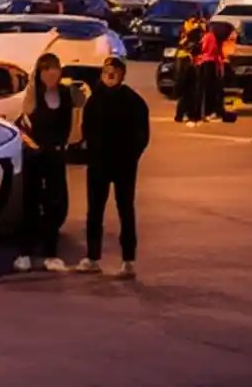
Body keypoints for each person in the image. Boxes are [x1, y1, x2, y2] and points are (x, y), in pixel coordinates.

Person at [76, 57, 150, 279]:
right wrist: (90, 153)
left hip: (124, 166)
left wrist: (131, 157)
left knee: (125, 210)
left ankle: (128, 260)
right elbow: (85, 128)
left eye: (114, 72)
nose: (110, 75)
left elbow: (142, 135)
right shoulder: (94, 100)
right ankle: (92, 258)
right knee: (94, 211)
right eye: (107, 71)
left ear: (122, 75)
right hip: (98, 164)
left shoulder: (133, 101)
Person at [14, 52, 87, 273]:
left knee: (55, 204)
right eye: (46, 69)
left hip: (55, 156)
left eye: (54, 69)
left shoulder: (65, 94)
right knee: (31, 202)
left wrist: (64, 145)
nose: (51, 73)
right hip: (35, 157)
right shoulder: (32, 96)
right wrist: (32, 146)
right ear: (40, 72)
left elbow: (76, 115)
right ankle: (25, 252)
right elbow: (20, 127)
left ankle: (50, 253)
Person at [173, 15, 205, 125]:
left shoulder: (187, 30)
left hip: (185, 61)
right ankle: (185, 115)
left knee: (188, 92)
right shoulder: (192, 32)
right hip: (187, 63)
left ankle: (185, 114)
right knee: (189, 92)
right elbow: (191, 46)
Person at [195, 21, 226, 121]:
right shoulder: (211, 37)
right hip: (209, 63)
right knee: (209, 90)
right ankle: (208, 111)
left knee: (203, 89)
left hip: (204, 62)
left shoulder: (206, 37)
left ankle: (201, 112)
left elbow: (202, 49)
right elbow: (214, 51)